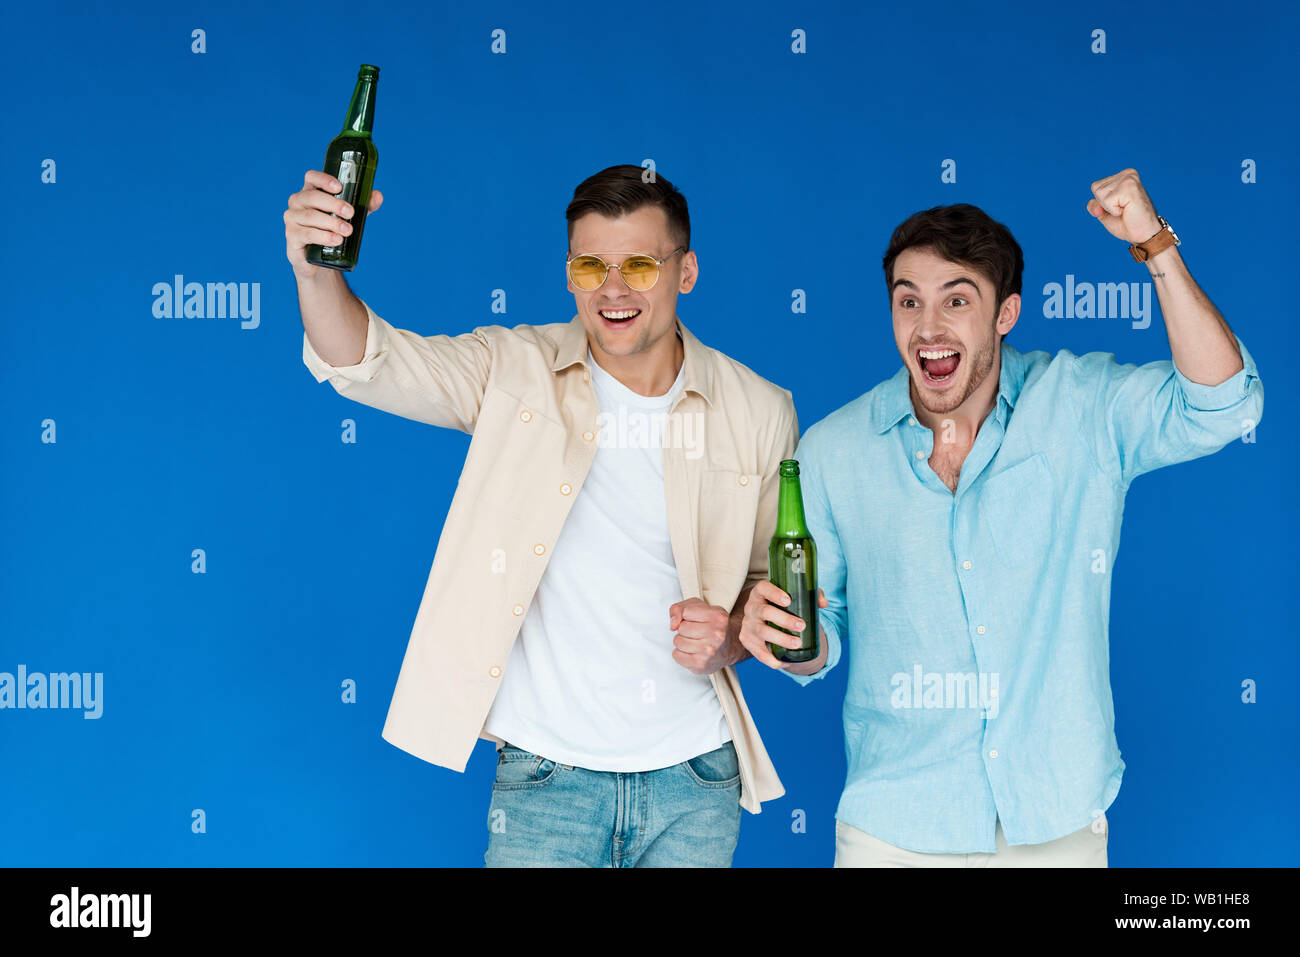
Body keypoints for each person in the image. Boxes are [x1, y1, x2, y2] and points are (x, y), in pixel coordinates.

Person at [738, 168, 1264, 867]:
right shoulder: (835, 451)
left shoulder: (1083, 407)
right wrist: (776, 630)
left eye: (957, 300)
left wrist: (1154, 244)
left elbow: (1225, 404)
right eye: (908, 301)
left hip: (1056, 823)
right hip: (895, 828)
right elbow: (819, 637)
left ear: (1005, 314)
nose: (928, 328)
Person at [285, 164, 798, 867]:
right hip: (545, 781)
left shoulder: (760, 409)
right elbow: (367, 360)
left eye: (640, 265)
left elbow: (776, 595)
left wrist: (734, 633)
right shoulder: (512, 370)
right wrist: (316, 272)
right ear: (568, 274)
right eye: (591, 265)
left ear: (687, 272)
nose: (613, 290)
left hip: (697, 780)